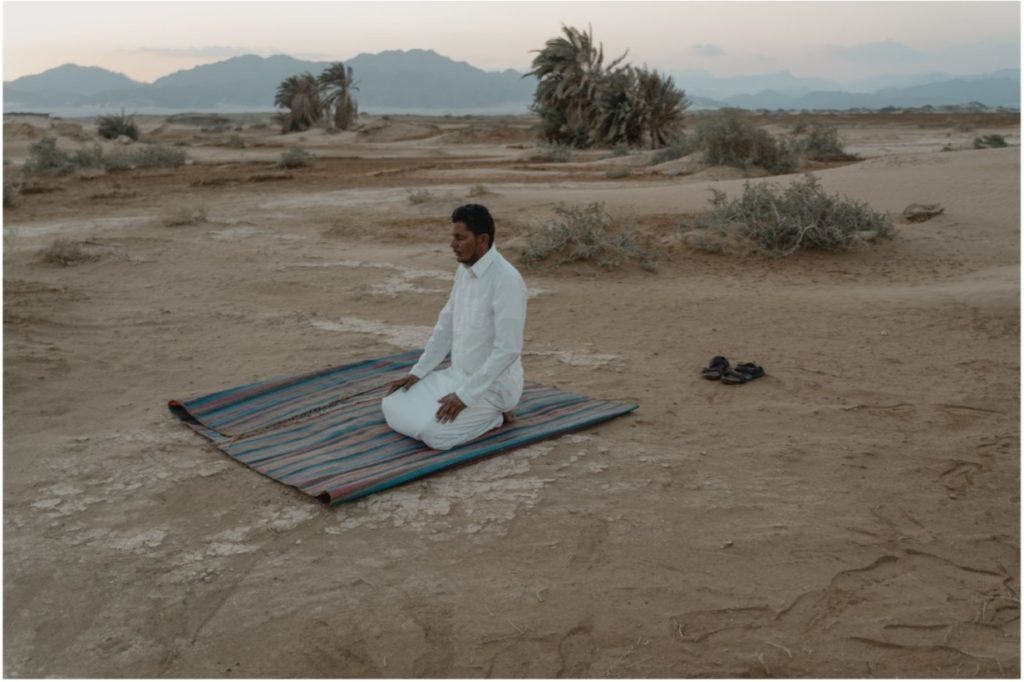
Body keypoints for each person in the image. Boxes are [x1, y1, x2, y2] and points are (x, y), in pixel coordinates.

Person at [381, 204, 527, 450]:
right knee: (391, 401)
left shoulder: (507, 280)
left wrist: (466, 397)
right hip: (455, 377)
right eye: (453, 237)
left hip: (491, 389)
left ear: (482, 240)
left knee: (433, 435)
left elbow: (508, 349)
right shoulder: (463, 271)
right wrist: (419, 372)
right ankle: (463, 411)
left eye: (460, 238)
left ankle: (496, 416)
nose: (452, 244)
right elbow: (445, 327)